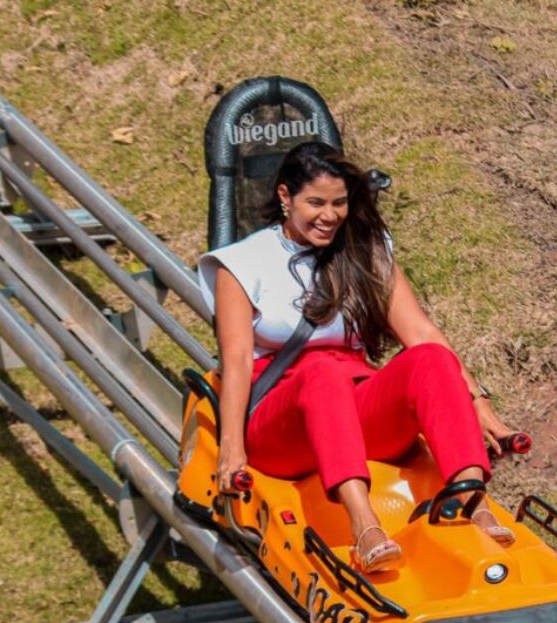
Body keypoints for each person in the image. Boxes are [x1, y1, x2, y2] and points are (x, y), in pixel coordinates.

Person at [197, 141, 517, 572]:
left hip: (354, 402)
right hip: (281, 423)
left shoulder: (363, 249)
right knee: (322, 375)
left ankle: (470, 499)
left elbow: (420, 331)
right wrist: (231, 448)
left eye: (339, 203)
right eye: (315, 203)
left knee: (431, 359)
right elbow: (235, 360)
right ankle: (365, 526)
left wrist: (478, 400)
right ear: (285, 197)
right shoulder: (241, 264)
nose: (329, 216)